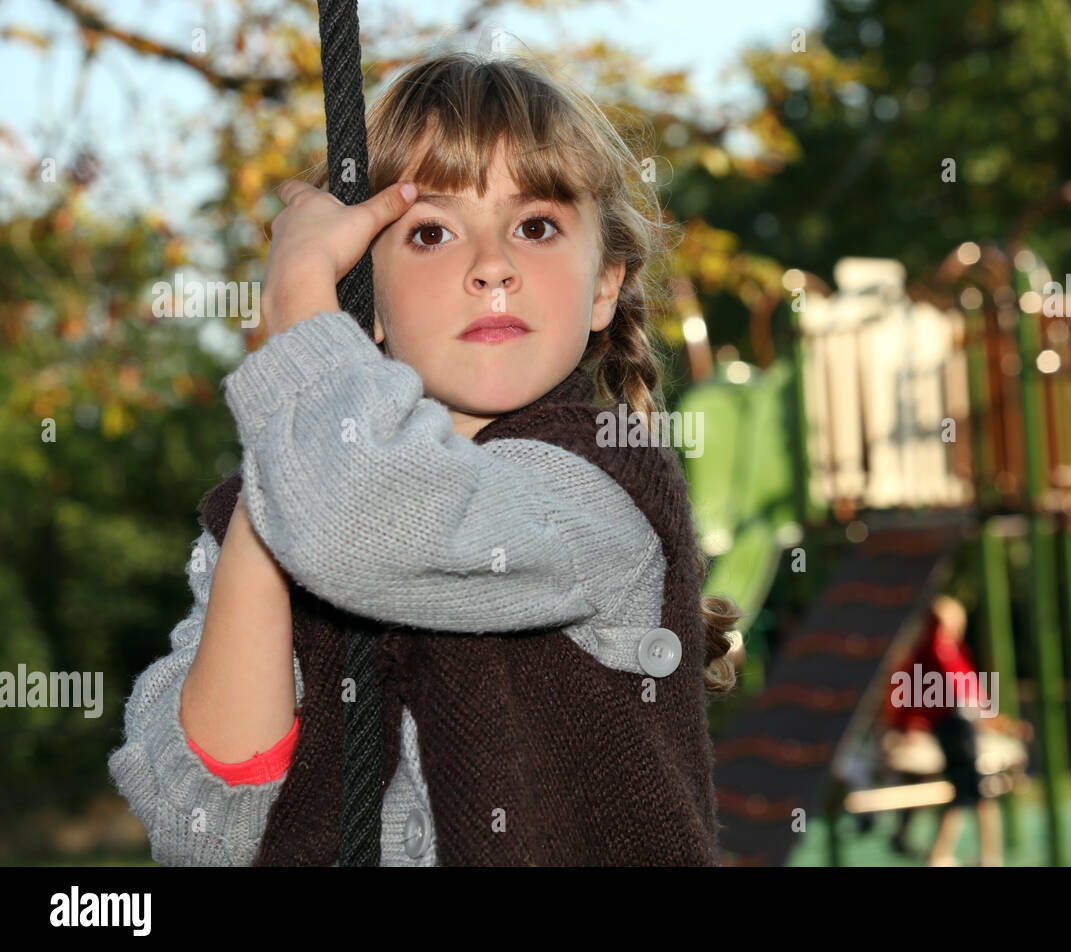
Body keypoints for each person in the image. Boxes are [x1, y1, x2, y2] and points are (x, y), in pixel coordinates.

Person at [108, 50, 743, 865]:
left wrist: (296, 294)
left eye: (536, 226)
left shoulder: (599, 486)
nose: (492, 267)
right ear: (360, 298)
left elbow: (379, 519)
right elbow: (208, 836)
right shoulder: (275, 505)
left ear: (604, 285)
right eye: (432, 232)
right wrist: (271, 508)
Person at [881, 595, 1004, 866]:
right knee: (971, 789)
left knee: (970, 790)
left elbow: (968, 690)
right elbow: (959, 691)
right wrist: (908, 725)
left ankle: (970, 854)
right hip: (953, 728)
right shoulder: (937, 649)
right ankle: (973, 855)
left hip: (952, 727)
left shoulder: (941, 650)